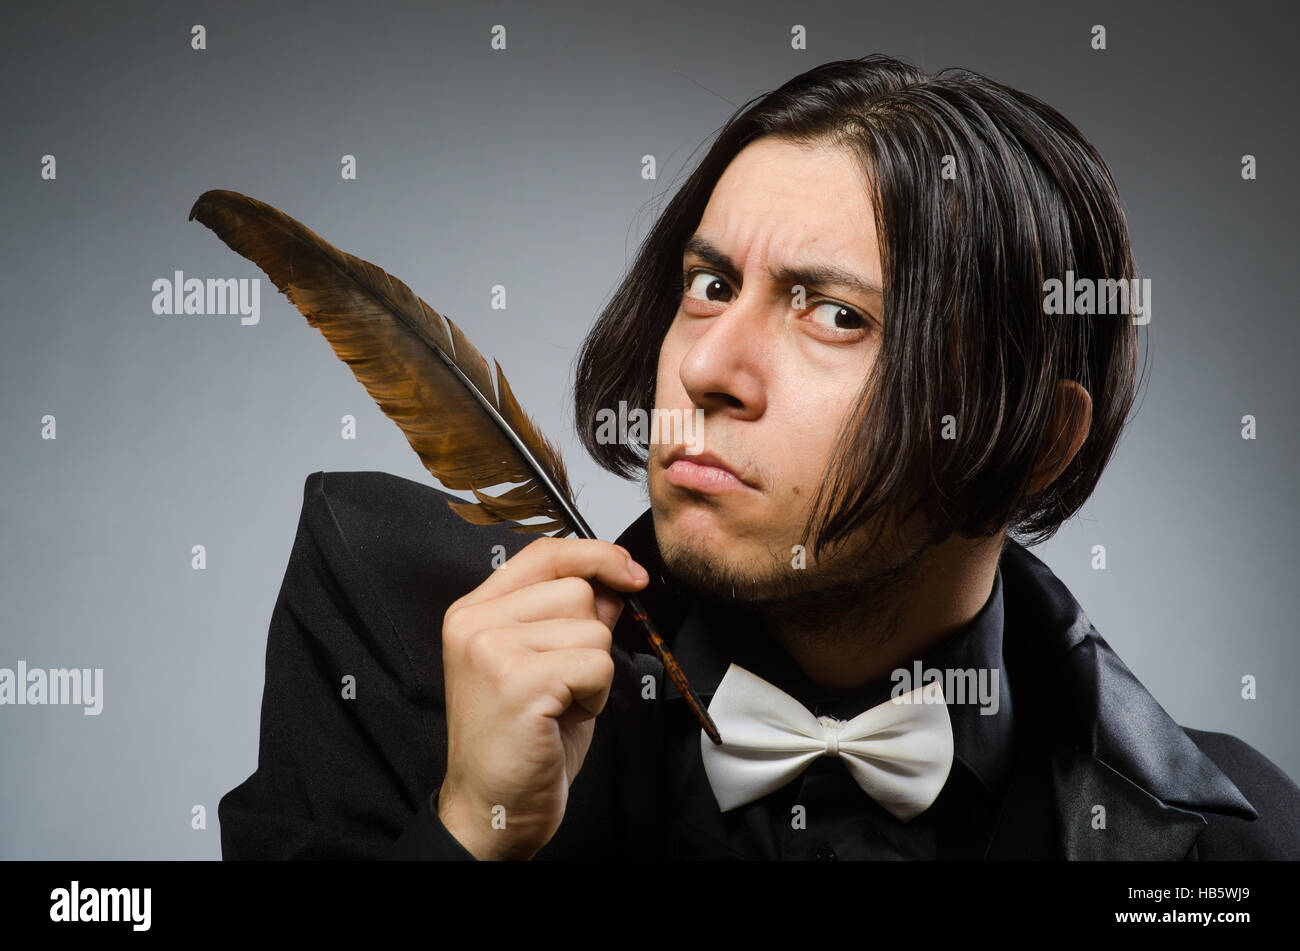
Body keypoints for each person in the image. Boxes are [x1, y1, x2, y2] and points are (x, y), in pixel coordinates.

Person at [218, 54, 1300, 860]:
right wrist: (470, 832)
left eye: (832, 314)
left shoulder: (1225, 843)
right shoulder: (403, 629)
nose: (707, 370)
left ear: (1031, 442)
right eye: (710, 285)